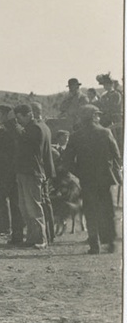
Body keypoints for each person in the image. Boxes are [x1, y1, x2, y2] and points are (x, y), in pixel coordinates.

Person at [62, 105, 122, 254]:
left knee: (91, 210)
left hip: (87, 179)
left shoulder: (76, 136)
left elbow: (67, 161)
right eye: (98, 115)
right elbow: (117, 155)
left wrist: (80, 172)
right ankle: (110, 243)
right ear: (94, 116)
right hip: (105, 178)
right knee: (107, 210)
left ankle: (94, 244)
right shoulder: (105, 132)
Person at [13, 104, 53, 249]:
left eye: (19, 118)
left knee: (34, 207)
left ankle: (42, 238)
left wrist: (16, 129)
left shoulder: (35, 128)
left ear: (29, 114)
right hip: (25, 172)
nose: (18, 121)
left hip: (32, 173)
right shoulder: (32, 128)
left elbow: (28, 146)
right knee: (25, 207)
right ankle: (32, 237)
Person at [0, 104, 25, 245]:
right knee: (16, 206)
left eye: (1, 115)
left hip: (3, 173)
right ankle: (17, 235)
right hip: (16, 172)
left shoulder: (3, 132)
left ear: (7, 115)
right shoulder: (20, 130)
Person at [31, 102, 57, 244]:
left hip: (39, 169)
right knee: (47, 203)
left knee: (41, 203)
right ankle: (50, 233)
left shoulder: (36, 127)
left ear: (33, 112)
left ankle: (45, 234)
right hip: (46, 168)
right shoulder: (45, 126)